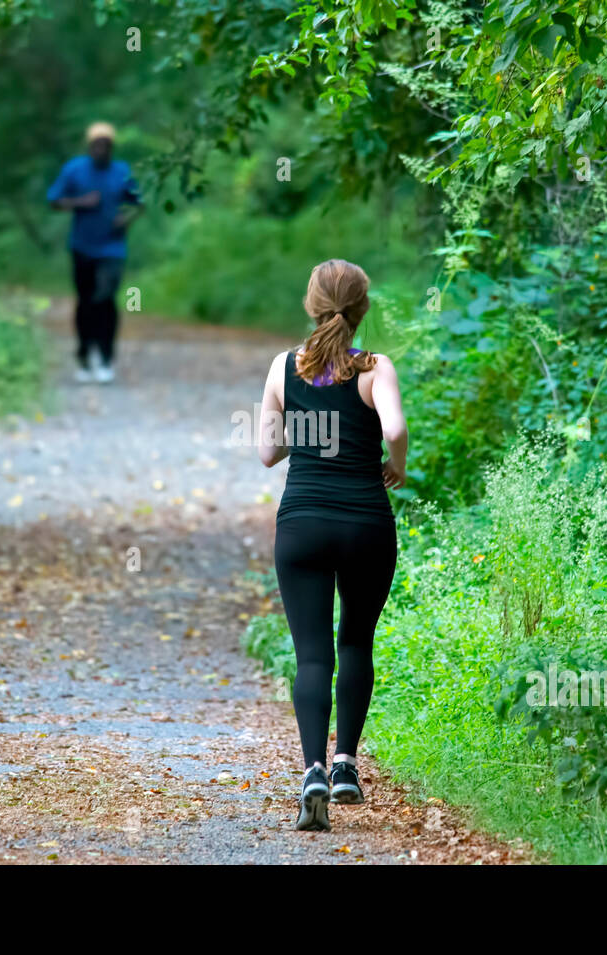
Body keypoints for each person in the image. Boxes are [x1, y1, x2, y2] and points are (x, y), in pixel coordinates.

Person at [257, 259, 409, 832]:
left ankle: (313, 769)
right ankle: (346, 764)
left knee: (313, 653)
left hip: (302, 527)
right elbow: (393, 429)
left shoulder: (283, 367)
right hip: (366, 524)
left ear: (311, 304)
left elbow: (269, 453)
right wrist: (394, 466)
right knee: (357, 642)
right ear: (362, 307)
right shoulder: (375, 368)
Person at [46, 121, 143, 383]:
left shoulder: (121, 172)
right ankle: (84, 354)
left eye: (106, 145)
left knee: (106, 297)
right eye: (97, 144)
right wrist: (81, 202)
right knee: (86, 301)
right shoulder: (74, 170)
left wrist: (127, 219)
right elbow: (53, 200)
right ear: (89, 147)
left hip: (112, 248)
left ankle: (106, 356)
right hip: (82, 247)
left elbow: (140, 202)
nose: (101, 149)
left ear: (112, 148)